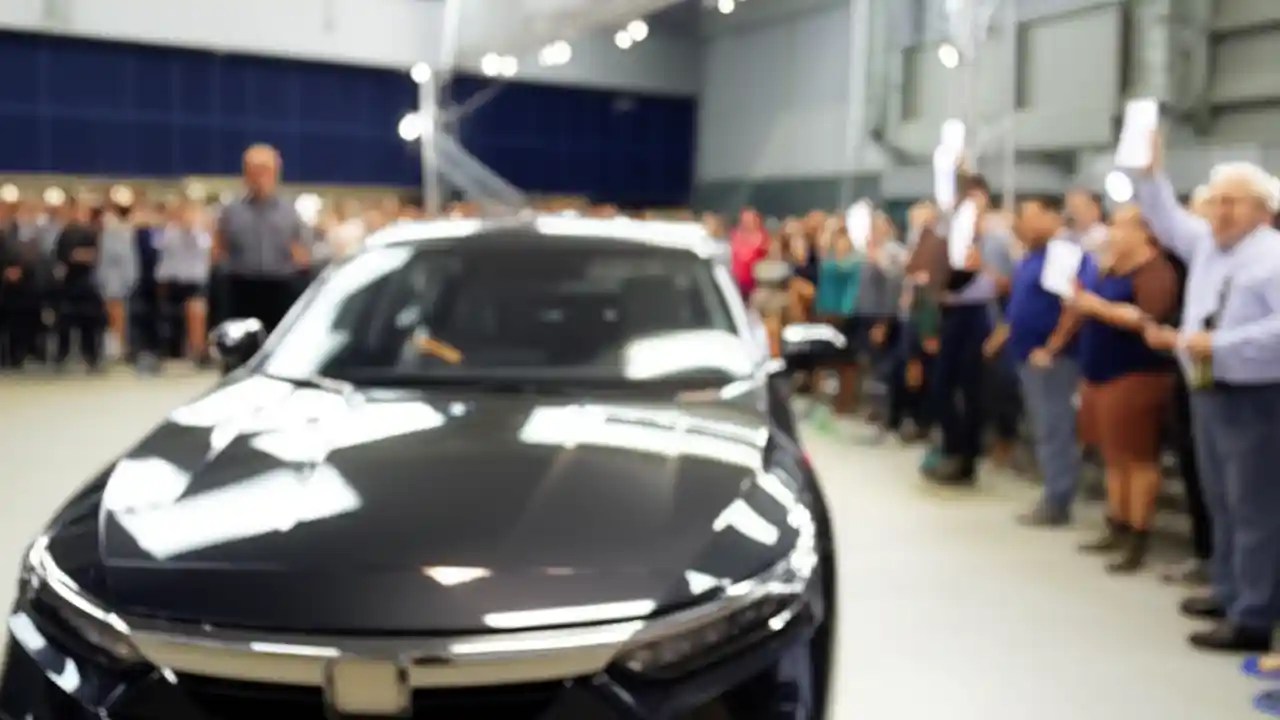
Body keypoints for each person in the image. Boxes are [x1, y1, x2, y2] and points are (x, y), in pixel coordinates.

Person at [1134, 132, 1280, 652]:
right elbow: (1165, 217)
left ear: (1263, 210)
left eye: (1232, 201)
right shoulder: (1209, 247)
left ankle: (1254, 614)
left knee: (1253, 507)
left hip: (1254, 396)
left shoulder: (1272, 257)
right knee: (1219, 499)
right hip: (1207, 389)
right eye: (1215, 200)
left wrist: (1218, 344)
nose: (1219, 210)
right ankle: (1229, 589)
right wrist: (1149, 173)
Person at [1070, 203, 1180, 570]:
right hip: (1100, 372)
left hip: (1136, 373)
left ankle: (1138, 533)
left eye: (1122, 226)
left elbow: (1148, 319)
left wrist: (1097, 307)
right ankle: (1116, 521)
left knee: (1138, 458)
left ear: (1145, 231)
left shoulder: (1155, 271)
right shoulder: (1109, 265)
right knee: (1113, 456)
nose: (1113, 233)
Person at [916, 175, 1016, 485]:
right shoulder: (951, 236)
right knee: (942, 385)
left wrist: (981, 265)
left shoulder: (995, 240)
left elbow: (1008, 284)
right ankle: (951, 446)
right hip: (951, 311)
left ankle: (967, 459)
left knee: (973, 390)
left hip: (978, 313)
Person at [1006, 196, 1092, 525]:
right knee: (1044, 427)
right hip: (1029, 357)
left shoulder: (1062, 253)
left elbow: (1073, 304)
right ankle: (1053, 491)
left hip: (1053, 361)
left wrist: (1052, 347)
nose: (1021, 223)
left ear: (1052, 215)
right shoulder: (1034, 254)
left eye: (1029, 216)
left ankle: (1058, 499)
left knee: (1054, 428)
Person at [214, 144, 307, 332]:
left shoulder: (290, 213)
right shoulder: (231, 212)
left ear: (276, 174)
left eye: (265, 171)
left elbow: (302, 254)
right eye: (254, 171)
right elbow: (219, 250)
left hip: (280, 288)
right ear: (245, 175)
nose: (259, 177)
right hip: (241, 289)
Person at [813, 225, 864, 413]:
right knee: (824, 357)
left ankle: (846, 400)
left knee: (847, 360)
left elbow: (851, 284)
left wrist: (847, 310)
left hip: (846, 313)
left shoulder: (855, 263)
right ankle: (824, 397)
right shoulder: (829, 259)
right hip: (826, 311)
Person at [156, 200, 213, 364]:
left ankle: (198, 350)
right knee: (172, 318)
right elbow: (163, 252)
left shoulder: (200, 233)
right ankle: (174, 351)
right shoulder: (170, 231)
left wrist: (192, 228)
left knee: (196, 313)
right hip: (173, 279)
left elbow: (203, 247)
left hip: (194, 279)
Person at [53, 198, 105, 370]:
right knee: (64, 321)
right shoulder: (65, 234)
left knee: (88, 322)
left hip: (86, 284)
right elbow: (62, 256)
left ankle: (90, 356)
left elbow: (92, 256)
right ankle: (62, 355)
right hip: (68, 284)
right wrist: (75, 256)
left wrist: (77, 256)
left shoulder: (91, 233)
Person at [97, 203, 139, 361]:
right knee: (108, 311)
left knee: (117, 311)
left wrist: (129, 279)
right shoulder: (104, 235)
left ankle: (119, 346)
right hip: (106, 278)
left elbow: (127, 259)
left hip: (118, 279)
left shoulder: (122, 234)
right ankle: (111, 345)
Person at [731, 208, 769, 300]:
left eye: (751, 219)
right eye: (745, 219)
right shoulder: (736, 235)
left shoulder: (763, 237)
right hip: (735, 281)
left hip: (755, 284)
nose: (748, 222)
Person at [1066, 188, 1109, 256]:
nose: (1074, 212)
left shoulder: (1104, 235)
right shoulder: (1064, 234)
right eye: (1071, 207)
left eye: (1078, 207)